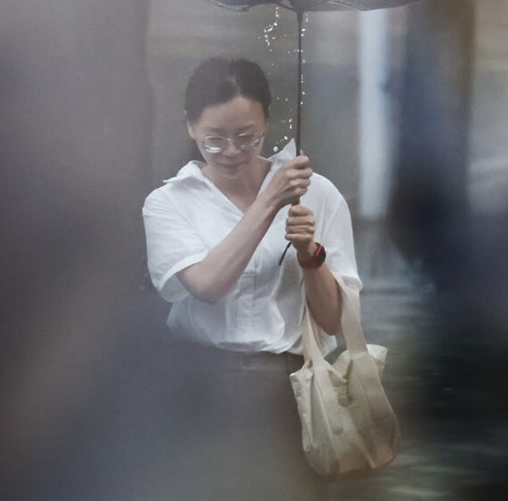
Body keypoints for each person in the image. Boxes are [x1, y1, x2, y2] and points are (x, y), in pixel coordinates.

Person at [142, 57, 362, 500]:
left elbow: (336, 321)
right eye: (214, 139)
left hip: (288, 386)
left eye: (247, 137)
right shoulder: (167, 202)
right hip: (197, 383)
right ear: (190, 128)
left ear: (266, 122)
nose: (231, 152)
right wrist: (269, 202)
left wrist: (309, 254)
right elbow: (206, 285)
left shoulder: (318, 193)